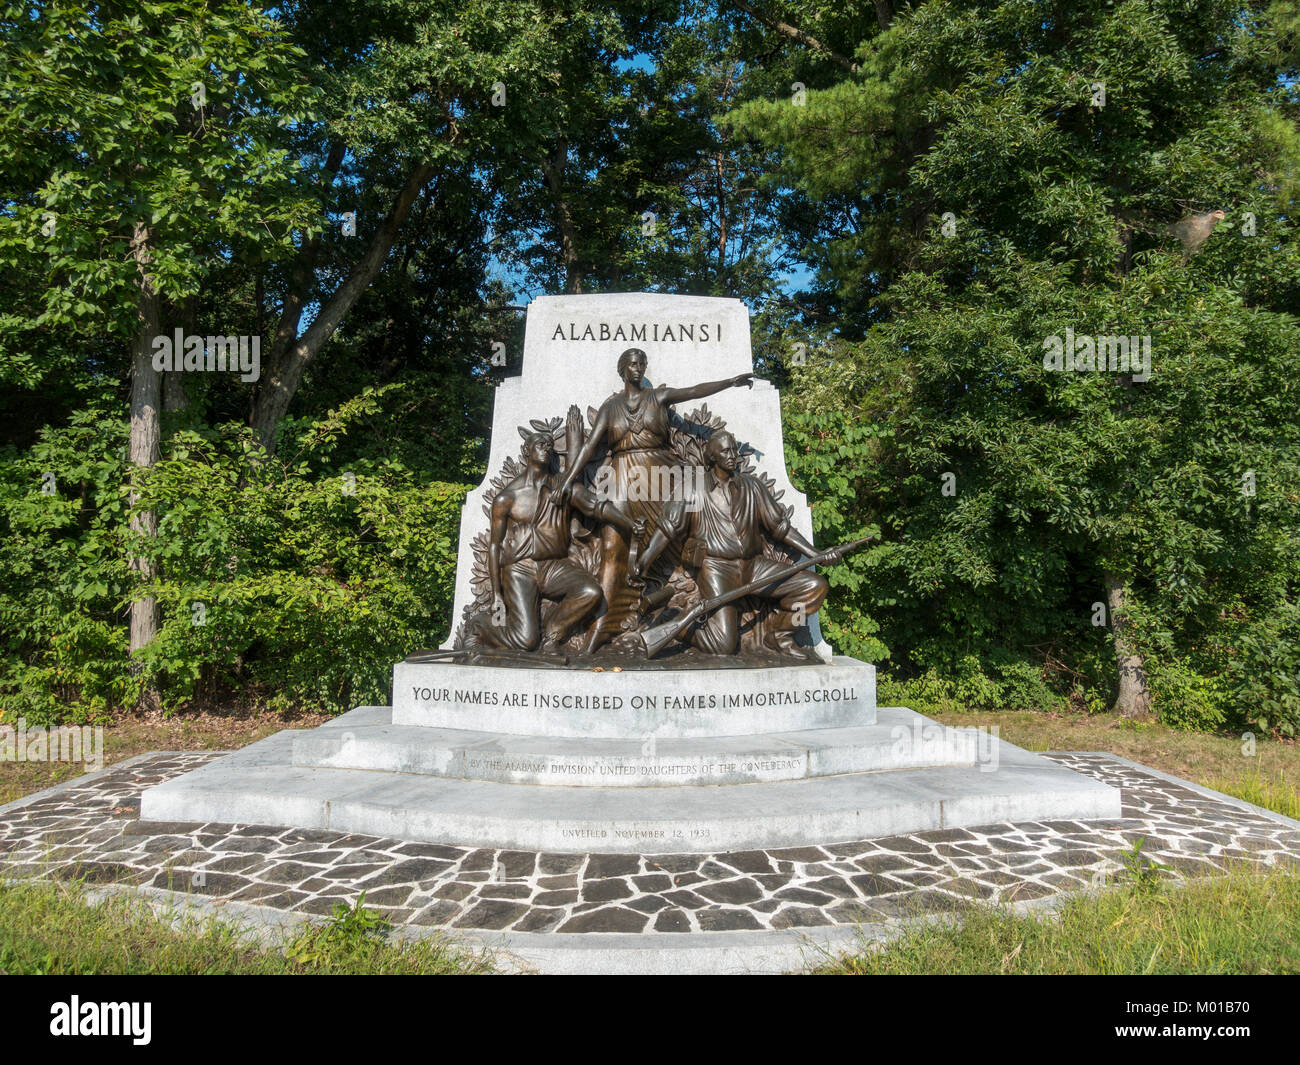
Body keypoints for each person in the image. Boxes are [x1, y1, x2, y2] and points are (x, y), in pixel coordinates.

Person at [555, 347, 754, 653]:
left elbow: (694, 390)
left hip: (661, 476)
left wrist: (729, 382)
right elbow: (589, 446)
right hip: (622, 475)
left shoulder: (658, 397)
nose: (639, 368)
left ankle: (671, 612)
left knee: (668, 543)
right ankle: (602, 626)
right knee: (613, 548)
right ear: (623, 370)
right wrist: (567, 482)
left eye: (642, 364)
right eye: (633, 364)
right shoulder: (611, 407)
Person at [634, 431, 841, 657]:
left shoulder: (752, 487)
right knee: (724, 645)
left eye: (734, 449)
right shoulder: (692, 488)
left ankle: (780, 635)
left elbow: (780, 527)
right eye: (725, 451)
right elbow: (667, 529)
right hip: (717, 570)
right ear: (711, 456)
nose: (732, 455)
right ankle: (676, 625)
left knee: (814, 587)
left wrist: (816, 554)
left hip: (755, 567)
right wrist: (643, 561)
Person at [479, 431, 644, 653]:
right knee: (525, 642)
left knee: (590, 591)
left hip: (554, 565)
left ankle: (552, 635)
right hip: (520, 569)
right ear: (527, 451)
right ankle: (478, 626)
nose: (546, 447)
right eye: (540, 444)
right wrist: (496, 593)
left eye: (549, 445)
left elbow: (597, 506)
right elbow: (494, 545)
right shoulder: (507, 498)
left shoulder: (562, 487)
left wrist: (629, 524)